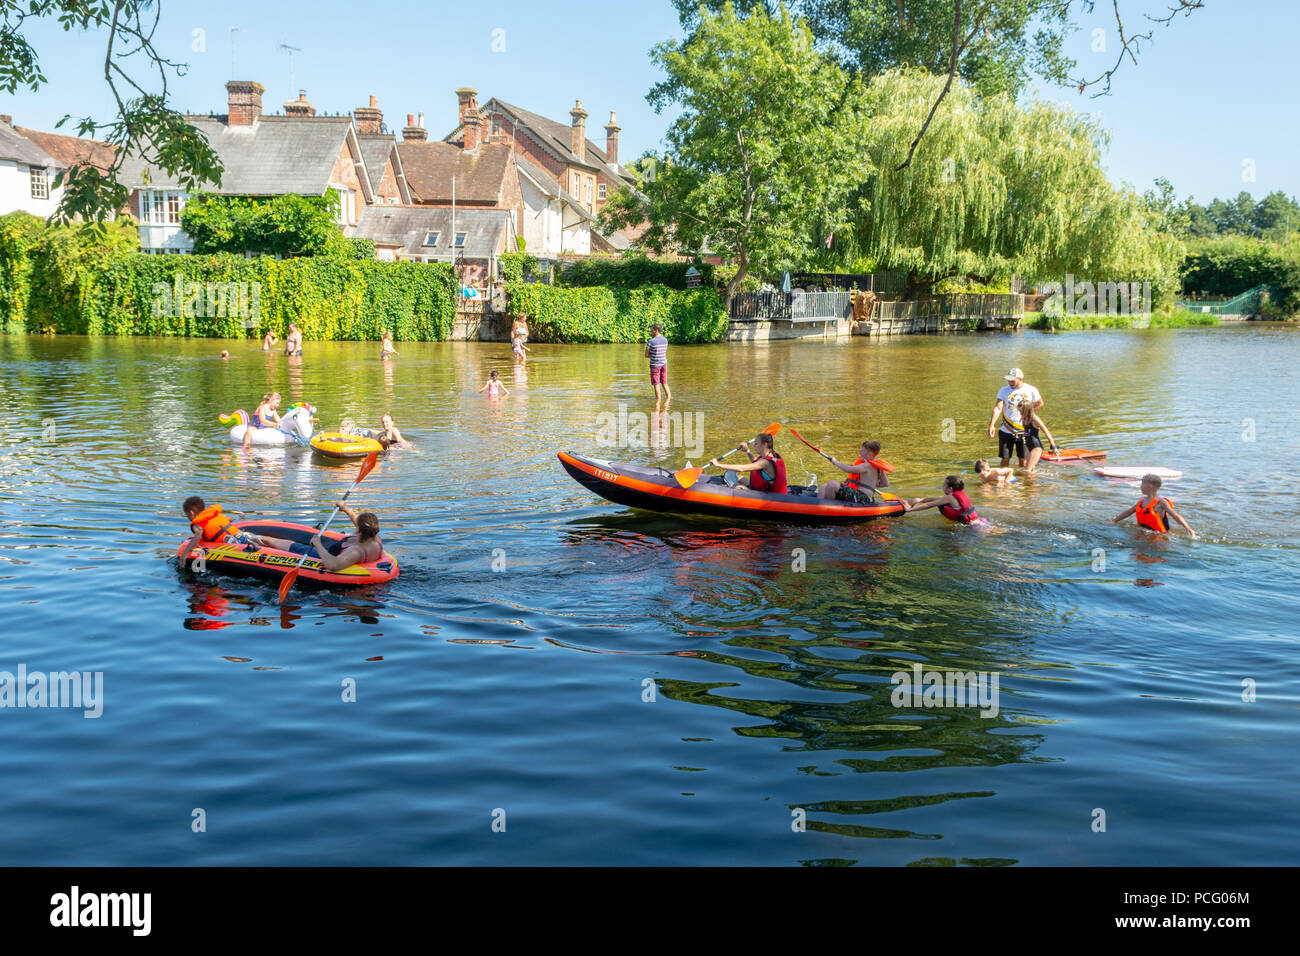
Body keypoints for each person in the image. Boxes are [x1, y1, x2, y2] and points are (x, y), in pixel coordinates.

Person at [181, 496, 298, 555]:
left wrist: (186, 553)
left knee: (262, 550)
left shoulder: (197, 524)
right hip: (240, 534)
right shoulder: (213, 514)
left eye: (187, 515)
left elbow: (198, 535)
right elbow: (228, 520)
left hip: (234, 543)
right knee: (266, 540)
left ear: (191, 513)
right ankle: (297, 547)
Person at [297, 502, 384, 571]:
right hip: (335, 549)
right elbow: (363, 525)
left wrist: (317, 544)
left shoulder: (357, 551)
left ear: (358, 530)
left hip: (325, 557)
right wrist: (346, 509)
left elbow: (333, 565)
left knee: (289, 544)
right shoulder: (376, 539)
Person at [987, 367, 1043, 468]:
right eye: (1008, 380)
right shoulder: (1004, 390)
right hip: (1006, 430)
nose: (1010, 382)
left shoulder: (1031, 390)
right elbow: (998, 407)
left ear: (1020, 379)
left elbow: (1040, 403)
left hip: (1023, 430)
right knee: (1005, 458)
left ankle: (1022, 481)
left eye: (1012, 380)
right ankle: (1004, 480)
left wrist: (1028, 413)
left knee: (1023, 459)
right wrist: (992, 425)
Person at [1111, 474, 1196, 537]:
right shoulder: (1142, 500)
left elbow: (1175, 515)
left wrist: (1187, 528)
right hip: (1142, 531)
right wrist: (1114, 521)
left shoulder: (1161, 502)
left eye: (1142, 483)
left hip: (1158, 535)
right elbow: (1128, 512)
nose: (1140, 486)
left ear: (1149, 486)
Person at [711, 432, 787, 494]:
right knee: (738, 477)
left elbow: (742, 468)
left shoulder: (765, 462)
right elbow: (755, 461)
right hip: (759, 488)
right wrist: (747, 451)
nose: (754, 446)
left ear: (765, 445)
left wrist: (718, 465)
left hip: (768, 495)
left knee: (737, 487)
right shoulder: (771, 454)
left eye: (756, 444)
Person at [818, 440, 890, 501]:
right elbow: (885, 483)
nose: (860, 452)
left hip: (862, 497)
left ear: (869, 454)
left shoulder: (867, 466)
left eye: (862, 450)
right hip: (857, 494)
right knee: (824, 486)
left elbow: (848, 469)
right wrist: (872, 484)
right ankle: (818, 508)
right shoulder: (877, 465)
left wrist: (835, 462)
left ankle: (828, 508)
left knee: (832, 484)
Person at [905, 476, 983, 525]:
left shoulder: (949, 498)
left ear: (950, 488)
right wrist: (919, 500)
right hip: (979, 522)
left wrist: (909, 510)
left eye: (944, 485)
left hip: (972, 527)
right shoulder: (955, 495)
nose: (942, 486)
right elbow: (935, 499)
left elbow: (929, 505)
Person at [1017, 398, 1059, 473]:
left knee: (1027, 470)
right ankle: (1034, 483)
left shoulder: (1035, 419)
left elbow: (1046, 431)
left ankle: (1031, 483)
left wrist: (1053, 446)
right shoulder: (1024, 418)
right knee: (1029, 468)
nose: (1020, 413)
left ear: (1027, 410)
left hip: (1036, 447)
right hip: (1027, 445)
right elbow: (1026, 432)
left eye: (1021, 411)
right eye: (1019, 411)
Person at [646, 323, 671, 402]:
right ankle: (668, 401)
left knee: (656, 384)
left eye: (652, 330)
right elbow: (663, 352)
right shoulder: (665, 340)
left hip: (655, 365)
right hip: (664, 364)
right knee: (664, 383)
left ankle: (658, 403)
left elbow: (646, 355)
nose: (650, 331)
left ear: (656, 331)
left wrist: (653, 354)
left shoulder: (651, 341)